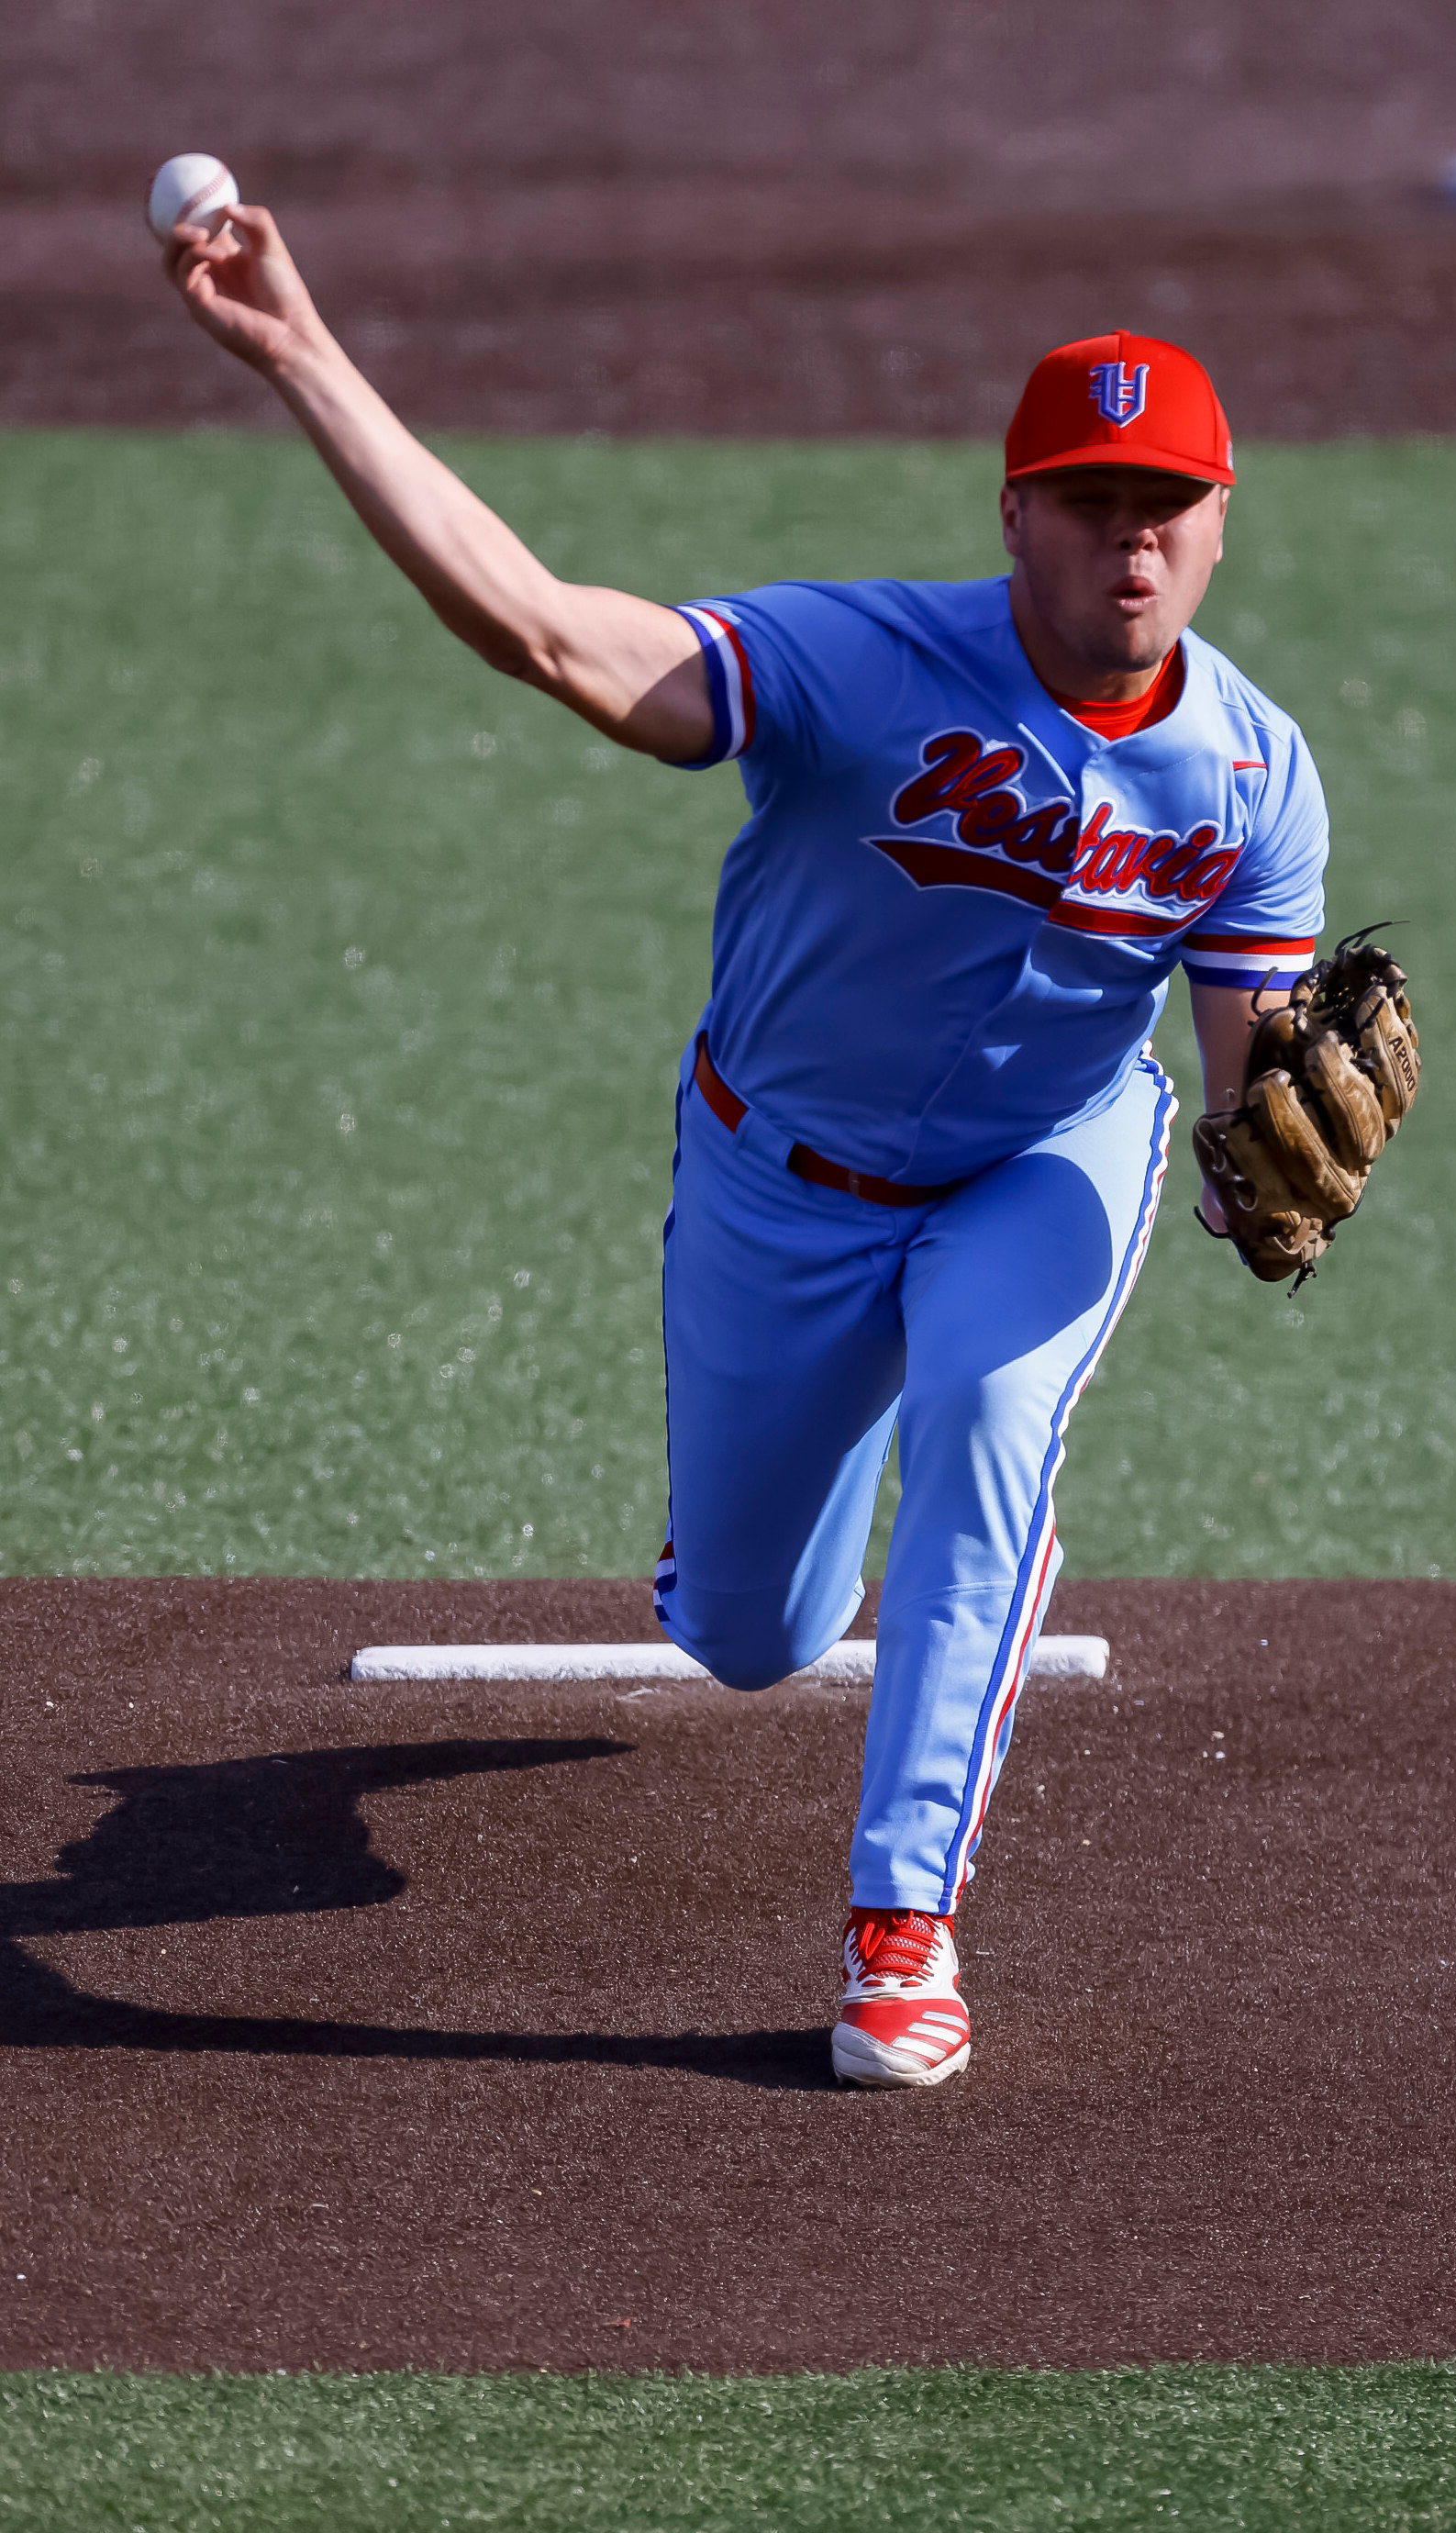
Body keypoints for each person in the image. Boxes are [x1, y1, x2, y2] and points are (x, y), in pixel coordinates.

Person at [163, 206, 1327, 2090]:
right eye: (1089, 497)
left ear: (1216, 521)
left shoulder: (1255, 776)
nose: (1130, 538)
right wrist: (298, 348)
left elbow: (1246, 1077)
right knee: (748, 1639)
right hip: (774, 1180)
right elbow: (547, 632)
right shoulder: (853, 667)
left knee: (990, 1427)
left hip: (1042, 1168)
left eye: (1164, 502)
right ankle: (735, 1545)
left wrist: (1247, 1163)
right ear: (1011, 512)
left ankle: (898, 1930)